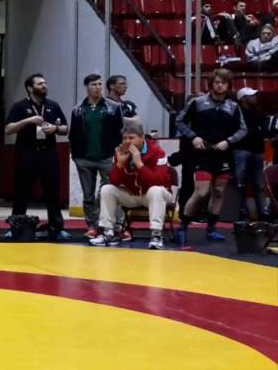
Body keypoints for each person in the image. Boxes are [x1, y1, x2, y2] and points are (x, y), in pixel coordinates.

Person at [176, 68, 247, 242]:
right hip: (202, 154)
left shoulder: (234, 107)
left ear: (228, 85)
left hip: (223, 154)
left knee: (218, 192)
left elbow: (243, 129)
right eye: (217, 82)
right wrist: (193, 137)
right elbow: (180, 121)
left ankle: (211, 228)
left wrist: (228, 141)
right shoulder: (197, 102)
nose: (220, 85)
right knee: (201, 191)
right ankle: (183, 226)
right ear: (211, 84)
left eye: (223, 82)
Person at [90, 120, 176, 250]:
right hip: (134, 195)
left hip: (158, 194)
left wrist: (139, 164)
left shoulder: (157, 151)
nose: (127, 141)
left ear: (142, 138)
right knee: (107, 189)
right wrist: (119, 164)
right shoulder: (121, 151)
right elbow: (114, 181)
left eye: (131, 138)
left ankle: (156, 235)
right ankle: (108, 232)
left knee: (155, 190)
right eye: (125, 138)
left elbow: (157, 181)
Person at [5, 73, 70, 240]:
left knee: (53, 191)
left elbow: (65, 128)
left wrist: (55, 130)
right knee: (22, 191)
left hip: (48, 153)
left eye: (45, 83)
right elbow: (8, 129)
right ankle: (15, 227)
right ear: (29, 88)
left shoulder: (53, 105)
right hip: (27, 153)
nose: (44, 86)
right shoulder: (19, 106)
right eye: (40, 84)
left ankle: (57, 227)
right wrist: (28, 121)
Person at [69, 73, 124, 237]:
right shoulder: (77, 109)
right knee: (88, 195)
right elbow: (73, 134)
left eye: (100, 84)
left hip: (106, 157)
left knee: (111, 191)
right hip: (84, 158)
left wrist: (118, 152)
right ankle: (92, 225)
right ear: (87, 87)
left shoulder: (114, 107)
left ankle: (117, 225)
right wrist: (75, 156)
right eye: (94, 84)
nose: (98, 87)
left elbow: (120, 132)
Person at [233, 87, 274, 221]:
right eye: (251, 96)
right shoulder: (236, 114)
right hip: (241, 150)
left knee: (259, 184)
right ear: (243, 99)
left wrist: (252, 132)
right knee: (240, 183)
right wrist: (255, 132)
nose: (255, 98)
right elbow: (239, 133)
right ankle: (240, 212)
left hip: (257, 151)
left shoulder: (259, 114)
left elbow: (266, 132)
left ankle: (262, 213)